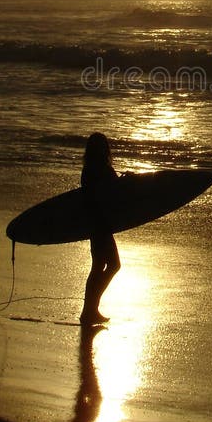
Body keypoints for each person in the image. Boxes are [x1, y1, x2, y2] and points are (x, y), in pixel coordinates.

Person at [79, 132, 121, 325]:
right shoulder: (103, 170)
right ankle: (90, 309)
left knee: (99, 266)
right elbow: (112, 192)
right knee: (112, 265)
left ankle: (89, 311)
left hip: (93, 223)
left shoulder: (87, 170)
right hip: (101, 224)